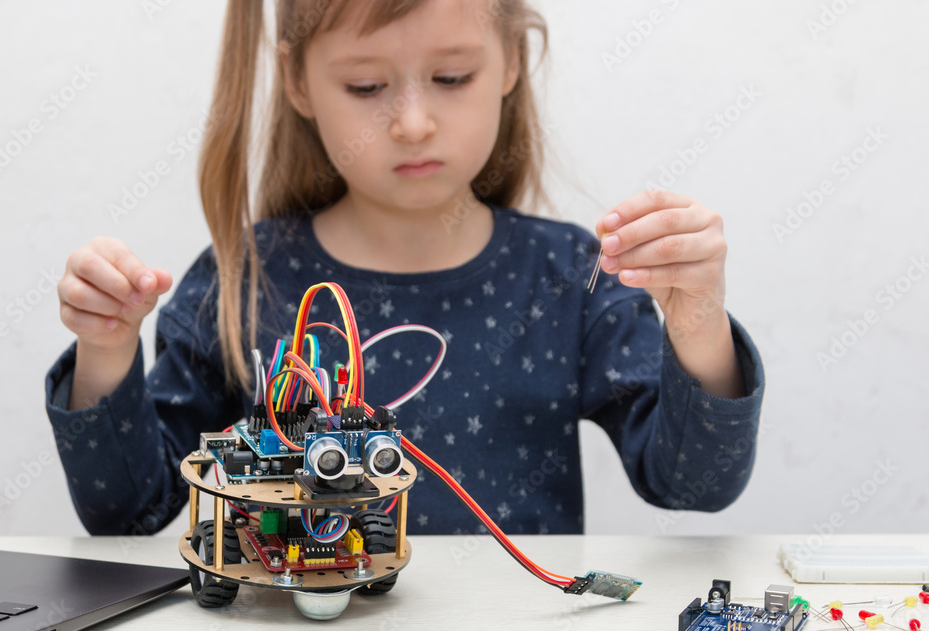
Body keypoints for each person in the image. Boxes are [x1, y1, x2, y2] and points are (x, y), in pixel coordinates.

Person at [45, 0, 764, 537]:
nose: (413, 122)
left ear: (512, 60)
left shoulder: (568, 276)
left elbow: (694, 485)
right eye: (366, 87)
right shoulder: (243, 279)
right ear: (297, 83)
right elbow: (126, 509)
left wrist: (698, 318)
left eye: (452, 76)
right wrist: (106, 350)